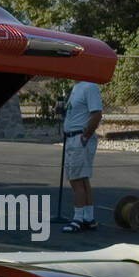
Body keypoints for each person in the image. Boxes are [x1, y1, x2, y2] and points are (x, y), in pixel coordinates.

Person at [60, 78, 103, 233]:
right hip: (73, 137)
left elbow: (97, 114)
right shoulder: (77, 87)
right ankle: (88, 217)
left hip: (79, 138)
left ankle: (78, 218)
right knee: (82, 179)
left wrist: (85, 137)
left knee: (76, 180)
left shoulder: (90, 86)